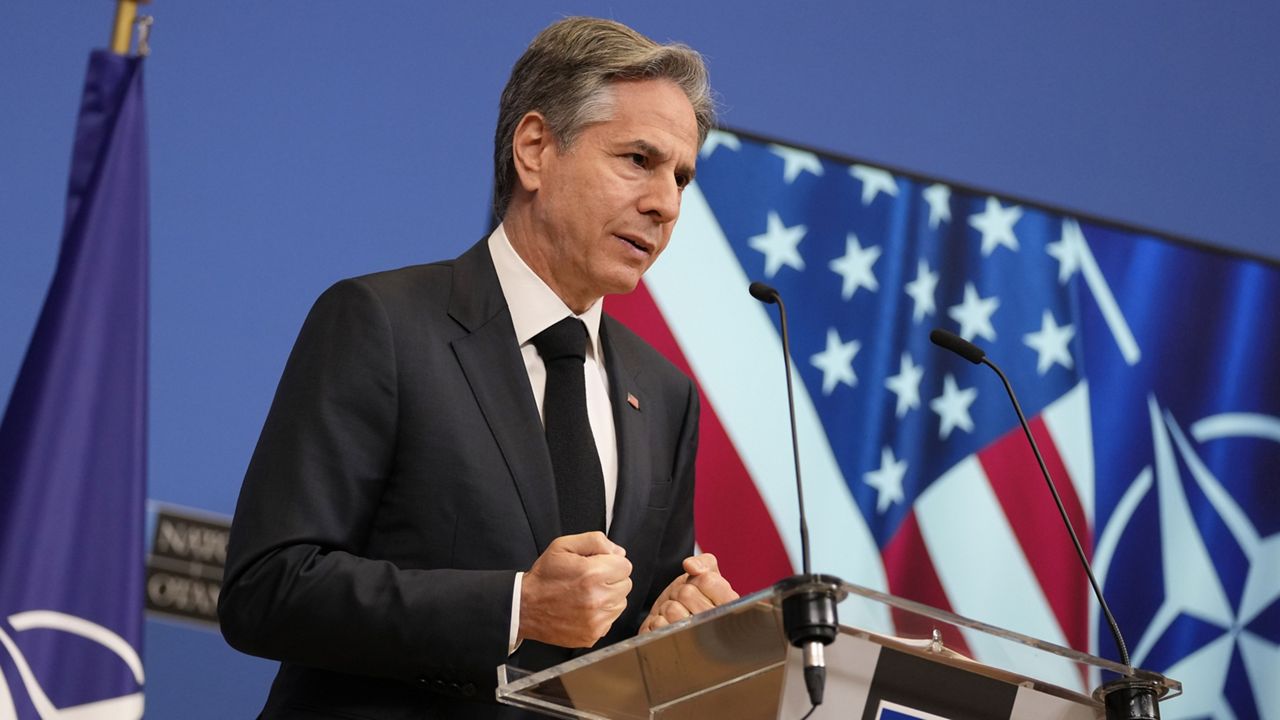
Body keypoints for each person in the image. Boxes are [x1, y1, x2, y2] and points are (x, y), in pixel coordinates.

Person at [218, 16, 739, 719]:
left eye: (681, 176)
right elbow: (268, 588)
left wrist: (672, 636)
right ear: (534, 151)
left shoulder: (665, 397)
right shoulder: (384, 324)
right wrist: (515, 605)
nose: (666, 203)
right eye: (638, 160)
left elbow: (615, 661)